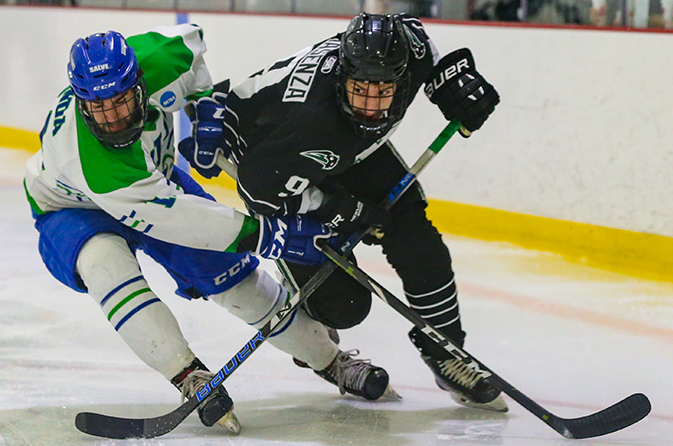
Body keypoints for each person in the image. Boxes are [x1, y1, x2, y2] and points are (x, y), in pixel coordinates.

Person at [23, 25, 395, 435]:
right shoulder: (96, 165)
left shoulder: (159, 58)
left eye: (121, 101)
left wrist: (204, 104)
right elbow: (182, 220)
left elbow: (193, 44)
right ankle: (189, 377)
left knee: (236, 281)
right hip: (72, 207)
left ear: (138, 82)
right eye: (99, 108)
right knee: (105, 265)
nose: (113, 119)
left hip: (155, 181)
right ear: (81, 102)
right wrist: (267, 233)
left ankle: (330, 360)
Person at [182, 13, 507, 412]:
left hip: (347, 150)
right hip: (278, 168)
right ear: (341, 78)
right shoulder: (308, 118)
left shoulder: (408, 51)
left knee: (420, 244)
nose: (371, 105)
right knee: (345, 306)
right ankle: (304, 299)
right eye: (360, 89)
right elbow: (262, 192)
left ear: (401, 78)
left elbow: (419, 36)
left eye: (383, 90)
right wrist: (344, 209)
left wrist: (447, 80)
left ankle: (446, 352)